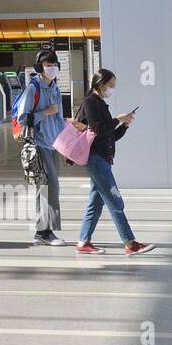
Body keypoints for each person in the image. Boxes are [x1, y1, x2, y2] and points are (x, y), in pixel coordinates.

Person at [73, 69, 154, 256]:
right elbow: (98, 129)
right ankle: (130, 244)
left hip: (102, 158)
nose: (112, 89)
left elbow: (109, 136)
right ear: (100, 84)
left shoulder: (100, 103)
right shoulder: (91, 102)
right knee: (114, 200)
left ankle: (83, 241)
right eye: (111, 85)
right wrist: (117, 119)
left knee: (96, 202)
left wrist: (124, 125)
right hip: (95, 159)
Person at [18, 49, 66, 246]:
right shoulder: (33, 89)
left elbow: (59, 119)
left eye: (54, 65)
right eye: (48, 65)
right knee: (49, 187)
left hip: (52, 144)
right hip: (38, 144)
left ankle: (42, 231)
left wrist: (65, 143)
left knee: (46, 187)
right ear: (40, 67)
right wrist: (45, 112)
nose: (52, 68)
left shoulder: (55, 88)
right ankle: (45, 232)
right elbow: (23, 118)